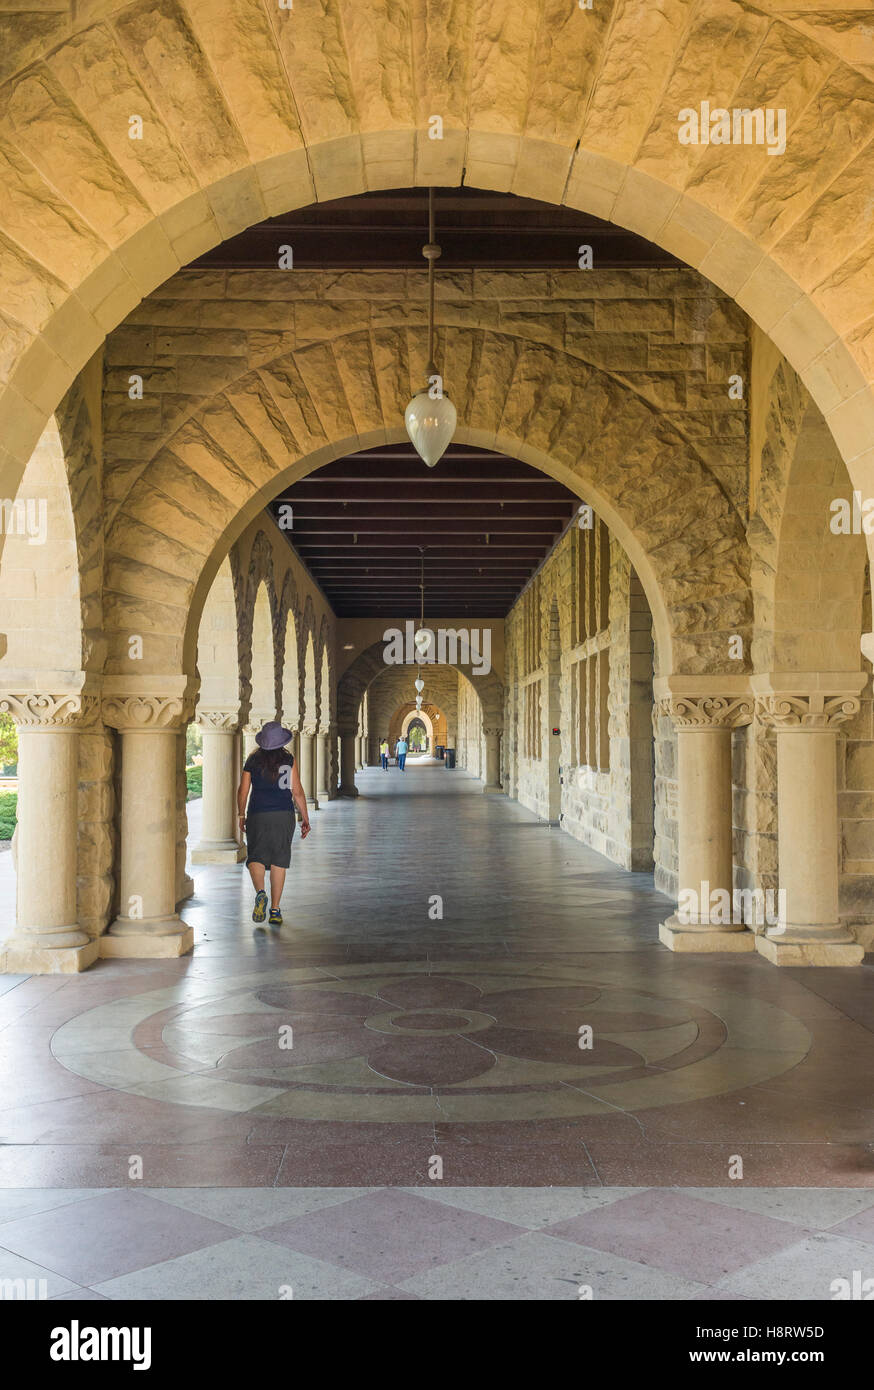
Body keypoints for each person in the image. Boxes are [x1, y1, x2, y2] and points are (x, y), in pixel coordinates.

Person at [237, 721, 309, 926]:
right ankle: (275, 910)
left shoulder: (253, 759)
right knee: (279, 860)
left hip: (258, 813)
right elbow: (297, 791)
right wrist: (305, 817)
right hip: (283, 813)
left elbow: (243, 790)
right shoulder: (288, 759)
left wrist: (241, 814)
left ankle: (261, 893)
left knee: (256, 856)